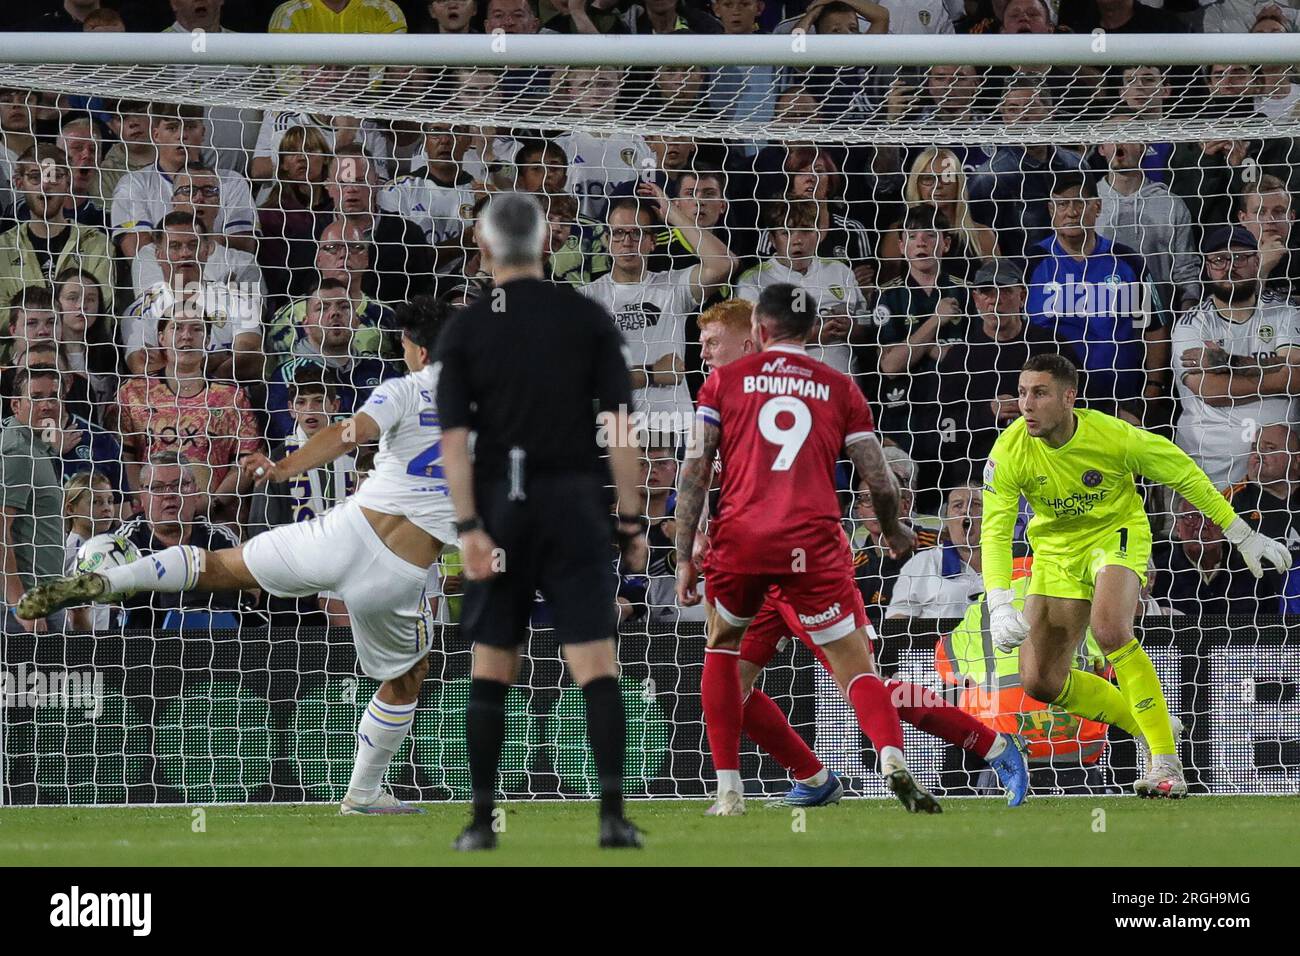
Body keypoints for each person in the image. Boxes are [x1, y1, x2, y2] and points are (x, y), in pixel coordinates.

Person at [20, 297, 455, 816]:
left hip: (342, 530)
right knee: (407, 678)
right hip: (397, 569)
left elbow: (347, 434)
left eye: (404, 344)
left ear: (421, 349)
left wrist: (285, 465)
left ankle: (108, 580)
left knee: (217, 566)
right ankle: (361, 794)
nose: (401, 352)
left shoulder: (402, 389)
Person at [692, 296, 1030, 808]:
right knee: (732, 687)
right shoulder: (732, 396)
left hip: (802, 558)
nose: (704, 354)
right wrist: (699, 532)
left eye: (713, 343)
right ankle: (813, 777)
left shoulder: (753, 390)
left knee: (868, 681)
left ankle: (994, 745)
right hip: (758, 561)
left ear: (752, 338)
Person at [674, 281, 944, 816]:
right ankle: (891, 759)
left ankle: (729, 789)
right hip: (814, 541)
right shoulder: (840, 385)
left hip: (743, 538)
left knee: (721, 649)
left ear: (759, 329)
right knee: (857, 666)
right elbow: (880, 479)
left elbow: (696, 471)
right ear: (813, 330)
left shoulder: (724, 383)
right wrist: (894, 532)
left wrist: (684, 553)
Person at [981, 353, 1292, 798]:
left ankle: (1165, 763)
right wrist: (998, 603)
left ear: (1069, 398)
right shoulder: (1009, 451)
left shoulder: (1112, 436)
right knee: (1040, 681)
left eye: (1039, 393)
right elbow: (994, 529)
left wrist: (1241, 533)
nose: (1025, 404)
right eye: (1023, 392)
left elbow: (1183, 473)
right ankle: (1152, 724)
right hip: (1054, 551)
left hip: (1116, 533)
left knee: (1110, 629)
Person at [435, 193, 644, 850]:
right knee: (594, 660)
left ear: (483, 242)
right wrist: (633, 522)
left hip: (502, 506)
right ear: (547, 239)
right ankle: (612, 817)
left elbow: (453, 442)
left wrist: (469, 526)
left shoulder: (466, 328)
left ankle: (481, 823)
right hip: (575, 503)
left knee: (493, 662)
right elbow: (619, 428)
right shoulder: (585, 316)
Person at [1173, 226, 1300, 489]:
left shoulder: (1286, 311)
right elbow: (1211, 389)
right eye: (1219, 260)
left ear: (1257, 261)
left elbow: (1297, 375)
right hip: (1209, 476)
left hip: (1279, 480)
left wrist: (1227, 362)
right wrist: (1279, 374)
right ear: (1208, 268)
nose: (1230, 267)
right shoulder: (1192, 324)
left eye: (1240, 258)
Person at [2, 366, 69, 633]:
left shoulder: (37, 446)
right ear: (16, 405)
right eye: (37, 397)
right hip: (26, 604)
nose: (47, 405)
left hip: (47, 597)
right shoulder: (17, 451)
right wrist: (20, 603)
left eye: (53, 396)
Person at [1225, 422, 1300, 612]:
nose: (1258, 455)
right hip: (1252, 609)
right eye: (1254, 448)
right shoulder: (1232, 501)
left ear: (1296, 460)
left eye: (1270, 448)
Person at [887, 483, 985, 619]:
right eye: (958, 505)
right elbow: (897, 620)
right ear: (947, 520)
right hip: (940, 639)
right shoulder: (923, 562)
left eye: (975, 504)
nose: (966, 510)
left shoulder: (1010, 560)